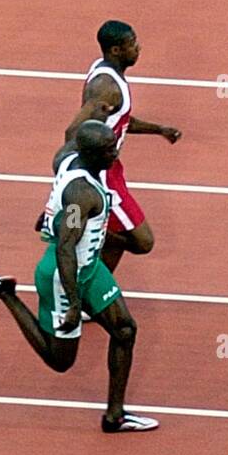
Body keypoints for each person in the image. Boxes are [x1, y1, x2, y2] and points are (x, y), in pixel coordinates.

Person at [0, 121, 158, 433]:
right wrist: (73, 303)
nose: (116, 153)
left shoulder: (68, 157)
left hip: (90, 267)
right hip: (63, 274)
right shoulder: (82, 194)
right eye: (110, 150)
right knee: (61, 362)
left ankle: (115, 416)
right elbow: (67, 247)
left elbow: (72, 133)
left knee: (125, 330)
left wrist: (47, 214)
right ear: (94, 154)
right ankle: (6, 294)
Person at [47, 21, 181, 273]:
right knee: (142, 242)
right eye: (132, 44)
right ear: (116, 50)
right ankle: (86, 226)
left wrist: (158, 130)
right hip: (100, 174)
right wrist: (70, 177)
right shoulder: (105, 88)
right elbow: (73, 130)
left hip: (110, 166)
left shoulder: (107, 75)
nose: (138, 48)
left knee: (116, 239)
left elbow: (117, 120)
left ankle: (96, 290)